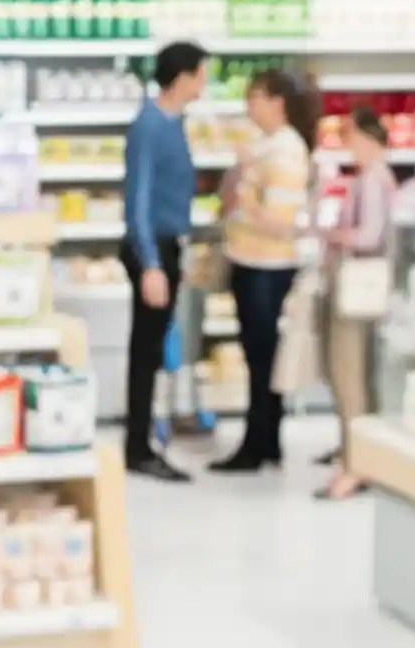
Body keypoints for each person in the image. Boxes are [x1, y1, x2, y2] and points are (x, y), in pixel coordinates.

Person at [211, 69, 320, 473]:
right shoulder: (264, 145)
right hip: (251, 261)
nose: (248, 105)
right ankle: (266, 439)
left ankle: (256, 444)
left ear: (277, 102)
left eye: (255, 97)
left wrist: (245, 202)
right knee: (260, 356)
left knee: (261, 358)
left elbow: (279, 221)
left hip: (266, 266)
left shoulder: (286, 150)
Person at [121, 40, 208, 483]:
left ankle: (142, 442)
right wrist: (151, 263)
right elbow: (136, 201)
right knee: (146, 349)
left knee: (153, 348)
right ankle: (137, 446)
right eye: (202, 73)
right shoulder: (150, 126)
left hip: (167, 242)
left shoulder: (174, 123)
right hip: (150, 245)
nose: (205, 82)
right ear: (184, 76)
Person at [314, 106, 397, 500]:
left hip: (355, 288)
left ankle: (355, 465)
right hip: (362, 289)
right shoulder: (377, 178)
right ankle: (359, 456)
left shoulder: (372, 180)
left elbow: (369, 236)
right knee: (357, 376)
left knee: (348, 375)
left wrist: (332, 235)